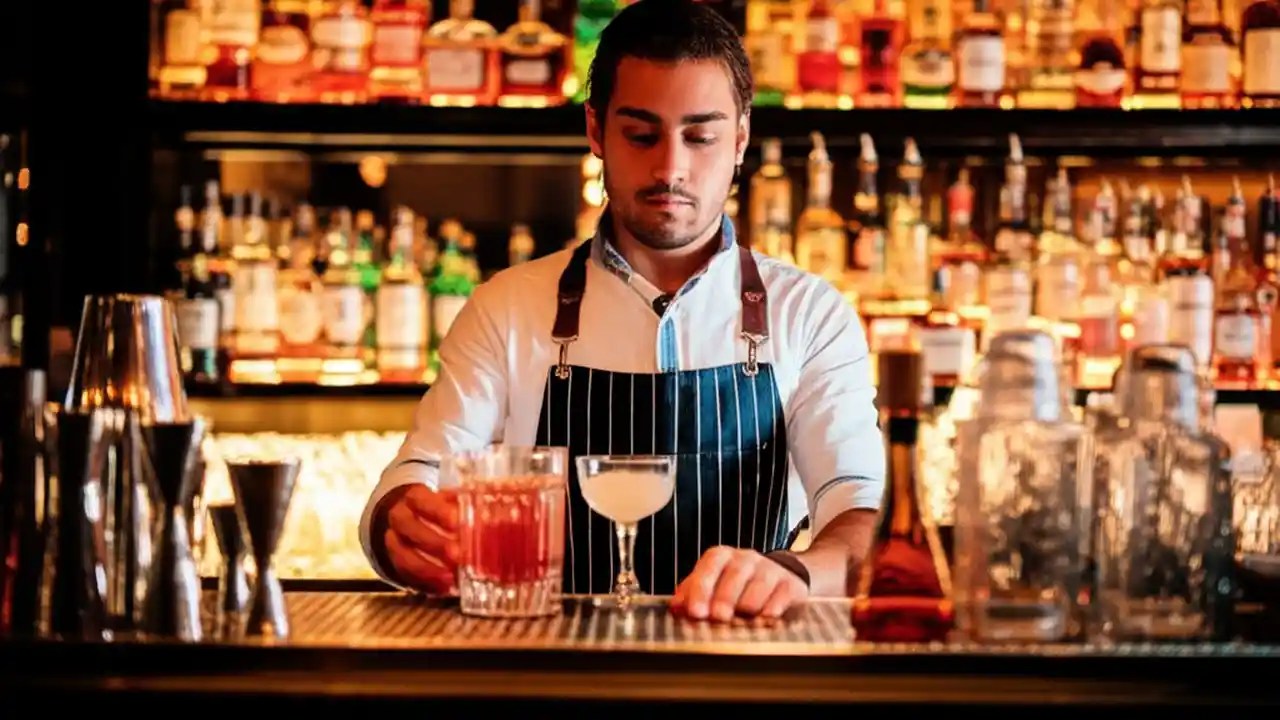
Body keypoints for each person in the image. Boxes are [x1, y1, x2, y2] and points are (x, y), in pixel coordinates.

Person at [359, 0, 885, 622]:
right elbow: (416, 473)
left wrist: (794, 572)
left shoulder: (809, 314)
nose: (671, 168)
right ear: (595, 131)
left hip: (748, 667)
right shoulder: (509, 306)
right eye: (640, 134)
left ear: (741, 139)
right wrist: (404, 526)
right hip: (548, 663)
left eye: (701, 136)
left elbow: (859, 509)